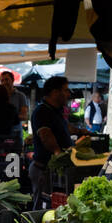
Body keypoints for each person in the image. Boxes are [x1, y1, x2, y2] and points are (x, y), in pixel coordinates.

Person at [28, 75, 73, 211]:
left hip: (52, 171)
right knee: (42, 211)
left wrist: (83, 131)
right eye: (65, 90)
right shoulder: (42, 111)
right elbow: (46, 136)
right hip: (44, 171)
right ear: (55, 92)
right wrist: (58, 153)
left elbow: (64, 128)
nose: (68, 94)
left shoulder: (54, 111)